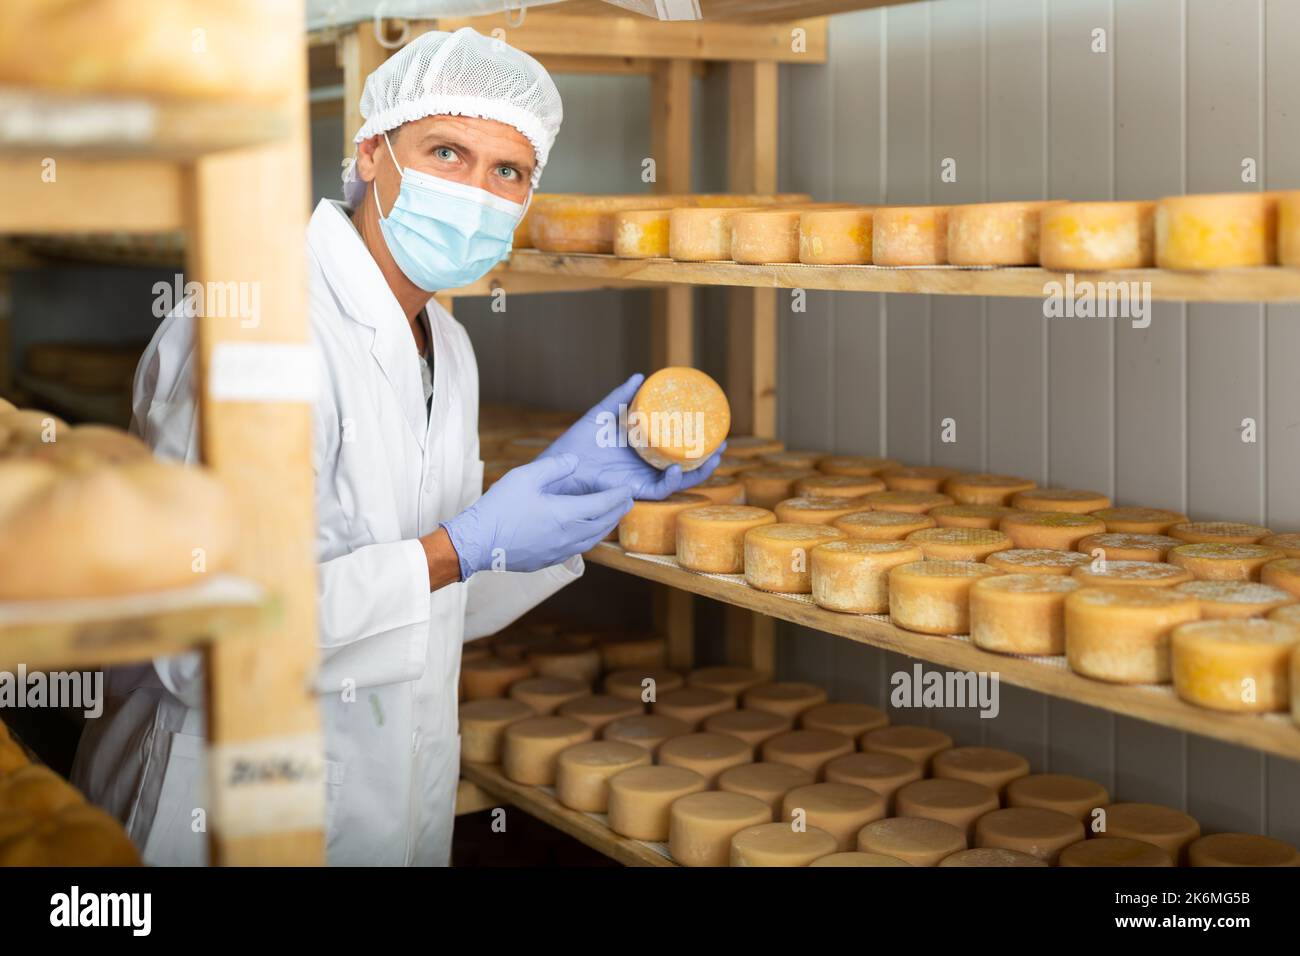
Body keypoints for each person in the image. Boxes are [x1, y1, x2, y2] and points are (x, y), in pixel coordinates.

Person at [71, 27, 720, 865]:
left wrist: (565, 498)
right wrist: (462, 546)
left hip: (385, 804)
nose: (478, 192)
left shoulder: (445, 345)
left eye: (508, 172)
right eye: (447, 151)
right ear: (372, 152)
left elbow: (430, 605)